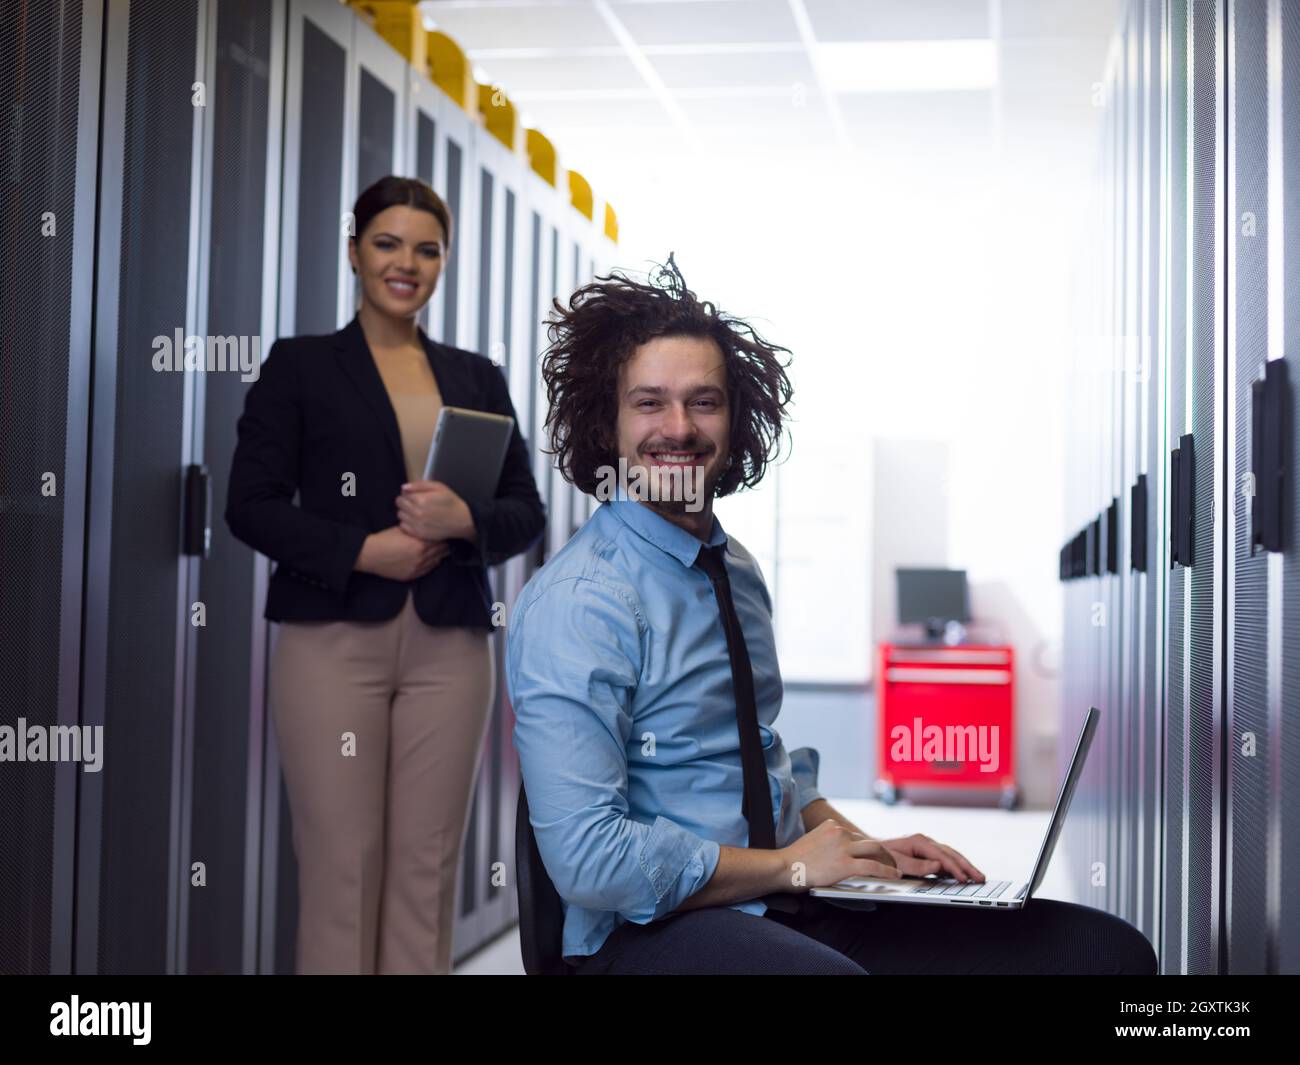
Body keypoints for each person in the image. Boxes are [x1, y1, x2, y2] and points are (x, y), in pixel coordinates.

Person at [506, 254, 1156, 975]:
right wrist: (789, 867)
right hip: (644, 931)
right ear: (609, 421)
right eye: (650, 402)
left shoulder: (737, 571)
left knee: (1102, 955)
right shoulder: (580, 601)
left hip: (784, 897)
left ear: (737, 417)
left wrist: (863, 848)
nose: (679, 428)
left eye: (704, 401)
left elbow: (761, 765)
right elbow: (591, 860)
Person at [226, 175, 545, 974]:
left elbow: (525, 510)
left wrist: (462, 522)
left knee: (426, 868)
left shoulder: (474, 377)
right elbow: (250, 505)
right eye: (388, 243)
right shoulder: (300, 367)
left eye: (427, 248)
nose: (407, 262)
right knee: (343, 864)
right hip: (332, 641)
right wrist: (365, 549)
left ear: (442, 262)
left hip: (450, 650)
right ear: (354, 252)